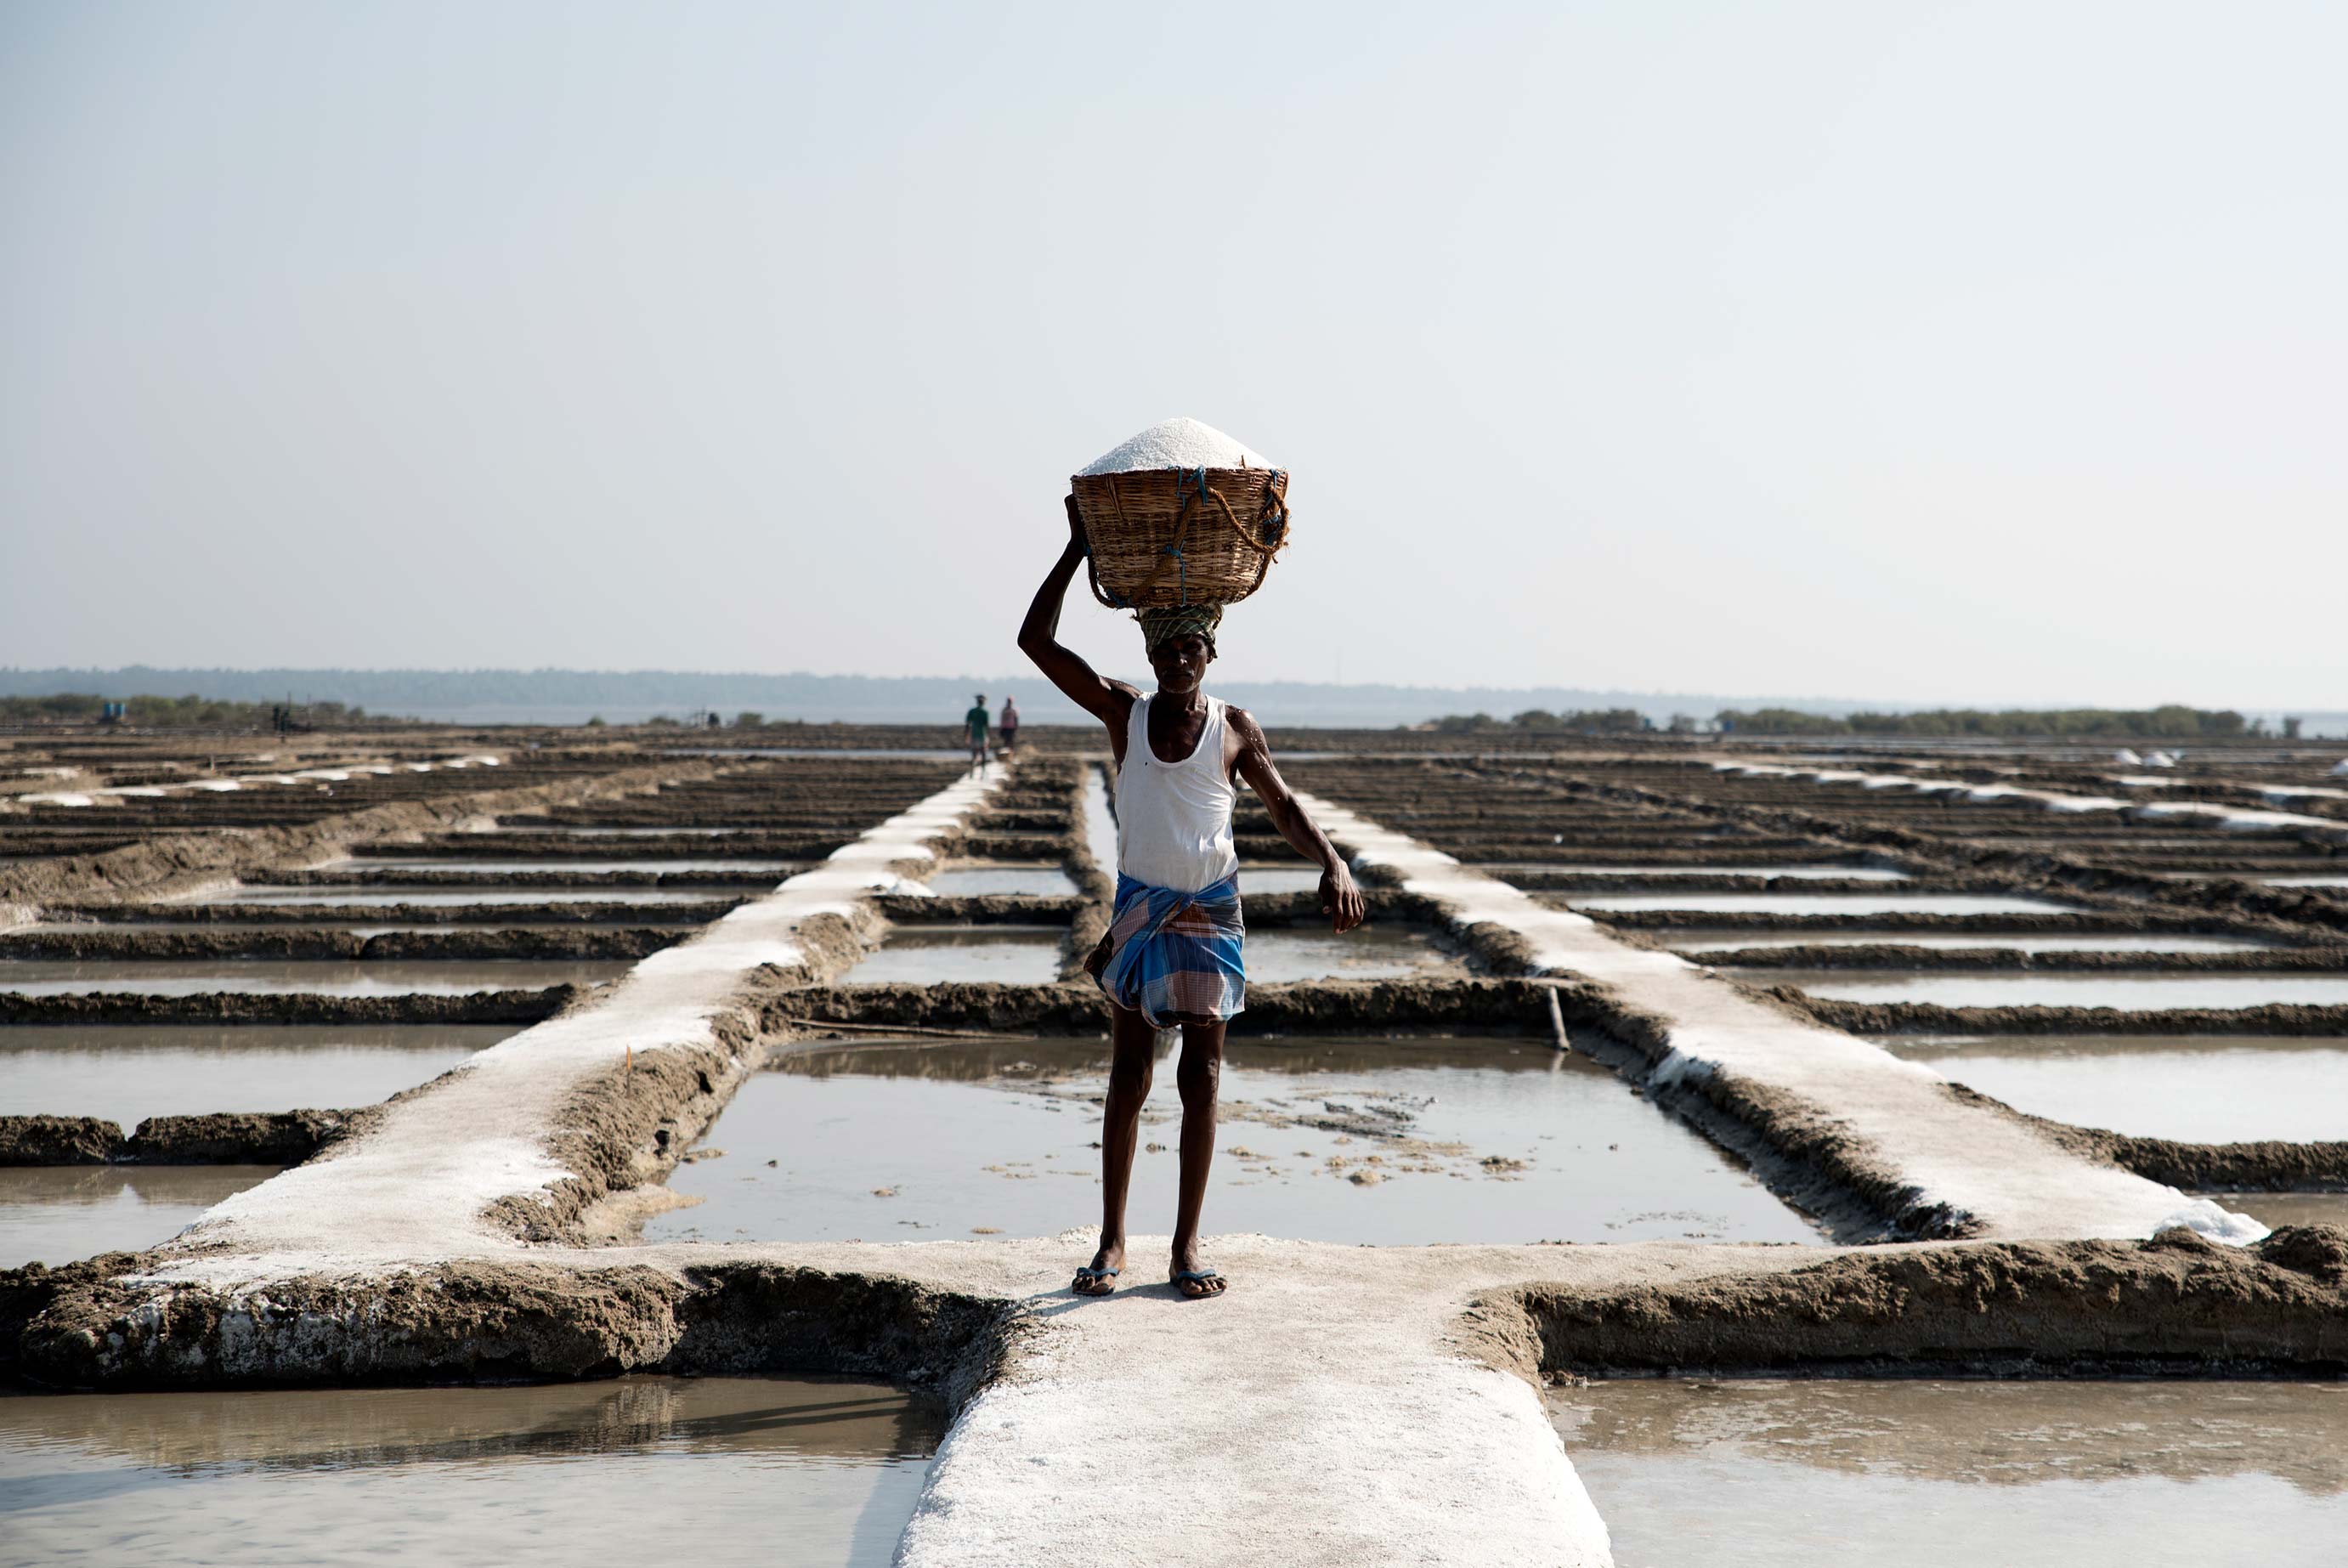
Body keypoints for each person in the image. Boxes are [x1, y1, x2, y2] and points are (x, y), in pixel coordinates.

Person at [1018, 496, 1366, 1300]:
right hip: (1141, 908)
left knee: (1202, 1080)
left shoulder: (1232, 725)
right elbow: (1036, 643)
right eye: (1166, 648)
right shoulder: (1124, 711)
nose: (1178, 659)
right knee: (1129, 1076)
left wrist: (1333, 861)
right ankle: (1111, 1242)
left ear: (1209, 653)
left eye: (1191, 647)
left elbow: (1282, 804)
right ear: (1151, 654)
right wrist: (1075, 549)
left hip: (1210, 909)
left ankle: (1185, 1245)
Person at [964, 693, 989, 771]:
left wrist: (966, 735)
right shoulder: (985, 712)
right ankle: (983, 770)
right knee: (983, 754)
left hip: (974, 735)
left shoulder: (972, 711)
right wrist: (988, 736)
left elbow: (968, 724)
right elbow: (986, 725)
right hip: (982, 735)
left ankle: (973, 769)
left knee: (974, 755)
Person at [997, 695, 1021, 761]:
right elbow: (1002, 719)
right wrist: (1001, 728)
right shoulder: (1004, 709)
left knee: (1011, 742)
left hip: (1012, 728)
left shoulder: (1014, 709)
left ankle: (1012, 755)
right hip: (1005, 727)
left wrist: (1016, 727)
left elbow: (1016, 718)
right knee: (1006, 742)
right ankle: (1006, 756)